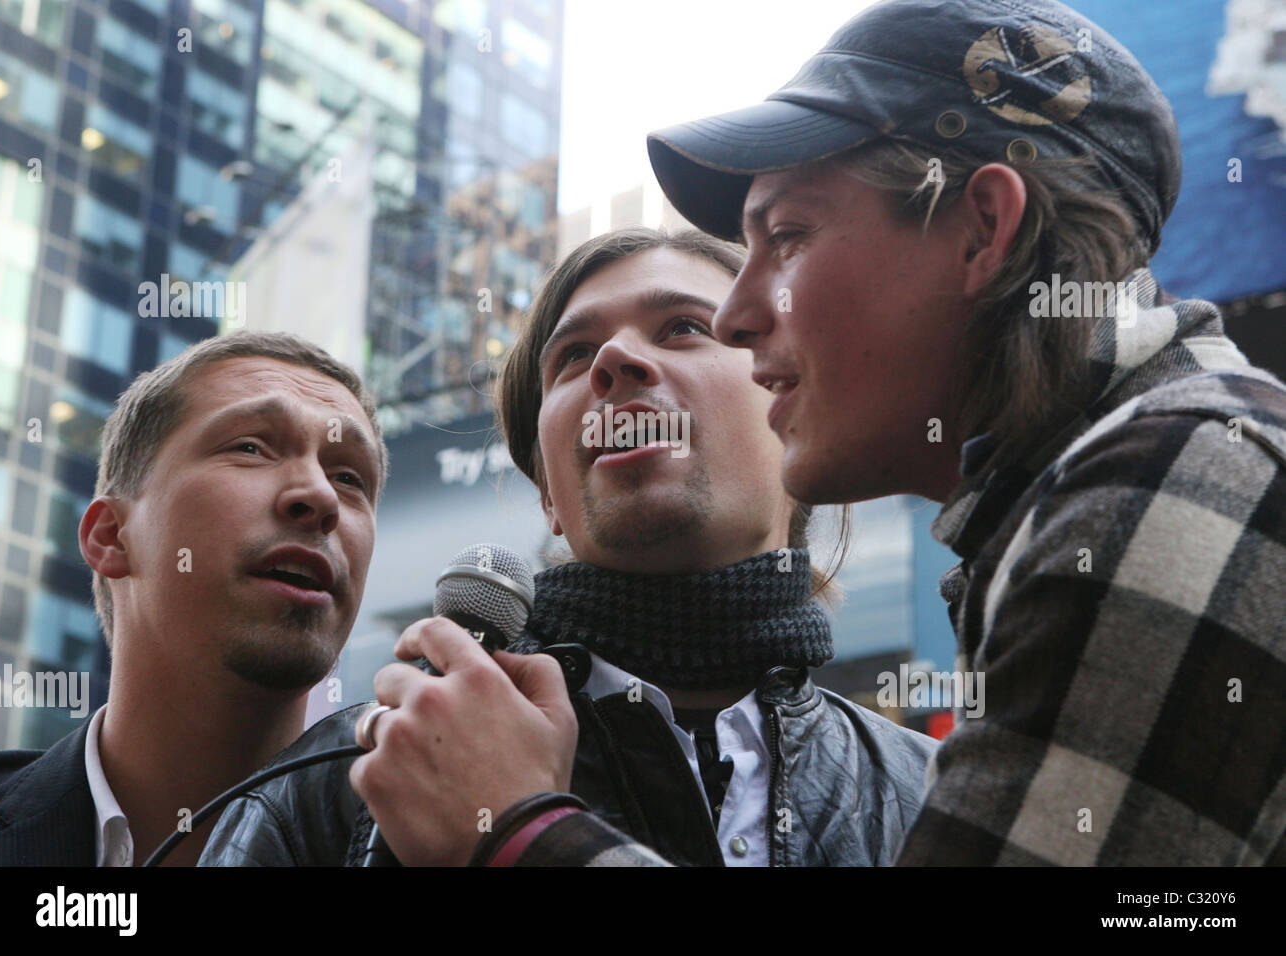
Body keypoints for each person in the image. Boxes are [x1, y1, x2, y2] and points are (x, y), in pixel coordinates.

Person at [355, 0, 1286, 866]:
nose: (742, 313)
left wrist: (521, 832)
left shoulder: (1167, 484)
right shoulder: (1116, 481)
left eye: (788, 235)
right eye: (572, 355)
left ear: (981, 230)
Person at [198, 227, 937, 867]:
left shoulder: (934, 796)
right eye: (574, 356)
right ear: (550, 495)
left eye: (683, 327)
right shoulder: (343, 776)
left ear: (796, 416)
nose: (614, 358)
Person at [0, 332, 388, 865]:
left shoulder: (430, 845)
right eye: (250, 447)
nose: (319, 496)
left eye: (348, 477)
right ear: (111, 537)